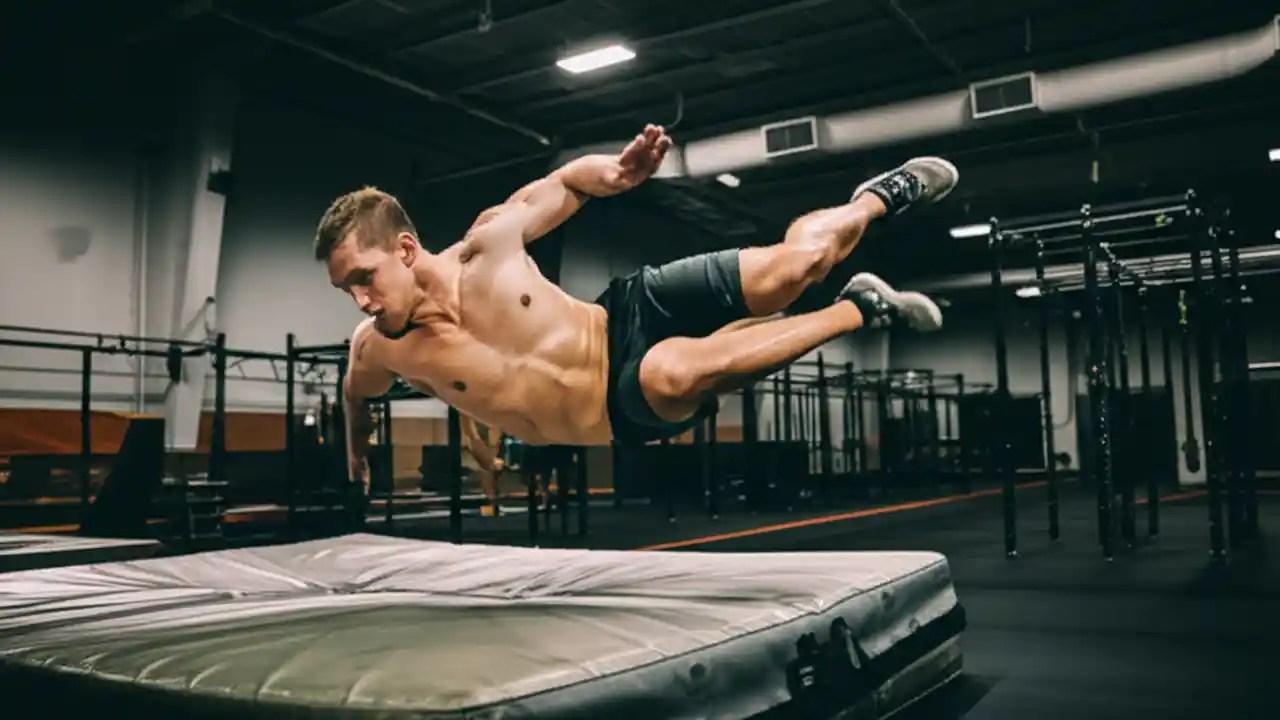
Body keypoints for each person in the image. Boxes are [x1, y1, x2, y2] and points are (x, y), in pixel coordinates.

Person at [315, 124, 957, 491]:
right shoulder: (379, 347)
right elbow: (356, 397)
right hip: (616, 402)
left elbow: (563, 183)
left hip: (626, 309)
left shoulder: (488, 242)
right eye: (348, 290)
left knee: (794, 268)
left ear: (405, 248)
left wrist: (616, 173)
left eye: (365, 278)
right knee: (674, 374)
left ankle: (878, 198)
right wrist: (356, 455)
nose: (362, 300)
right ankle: (861, 309)